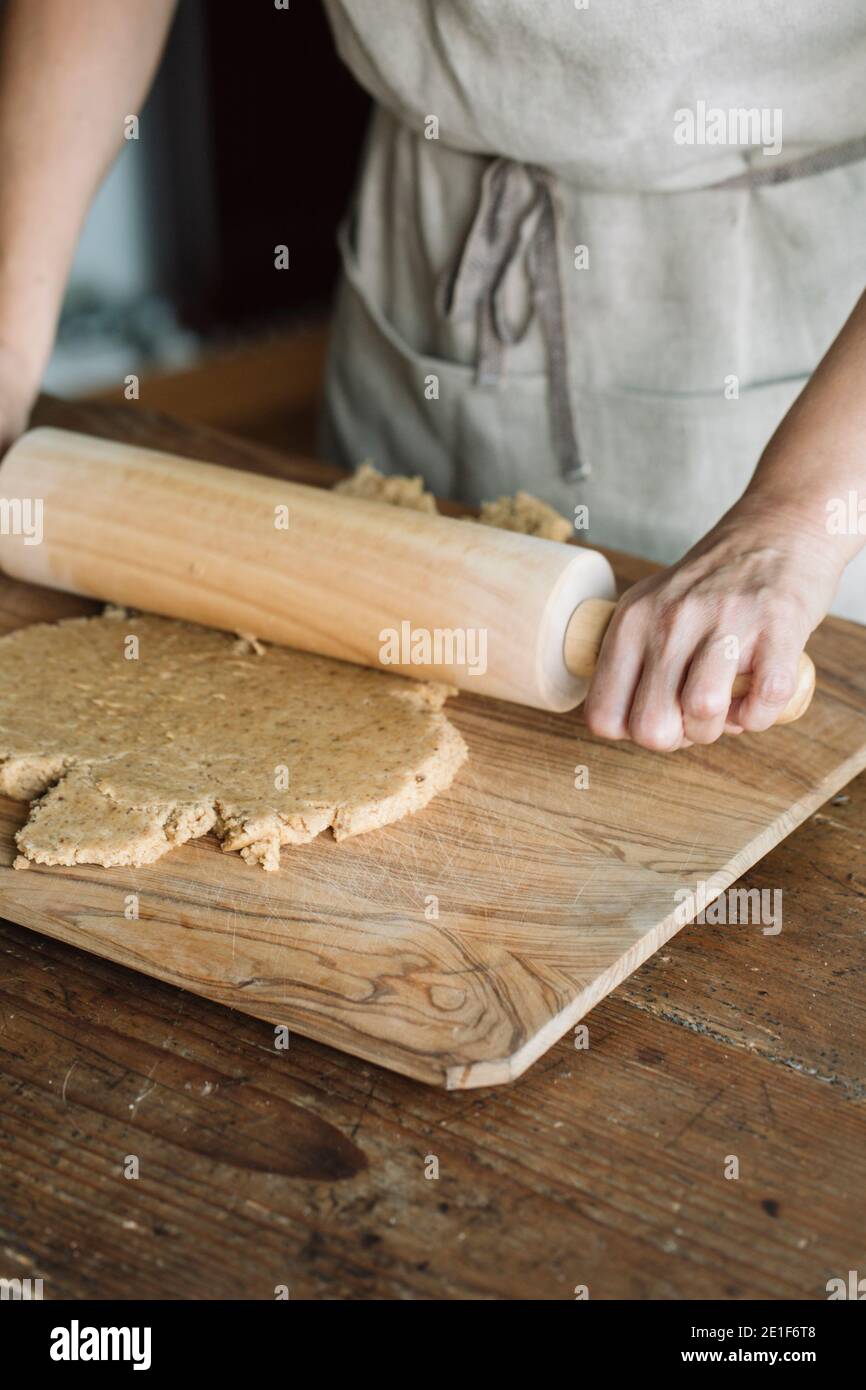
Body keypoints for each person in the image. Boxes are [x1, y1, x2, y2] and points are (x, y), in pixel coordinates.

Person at [1, 1, 864, 752]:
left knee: (734, 706)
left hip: (788, 341)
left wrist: (794, 523)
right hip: (425, 238)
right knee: (326, 577)